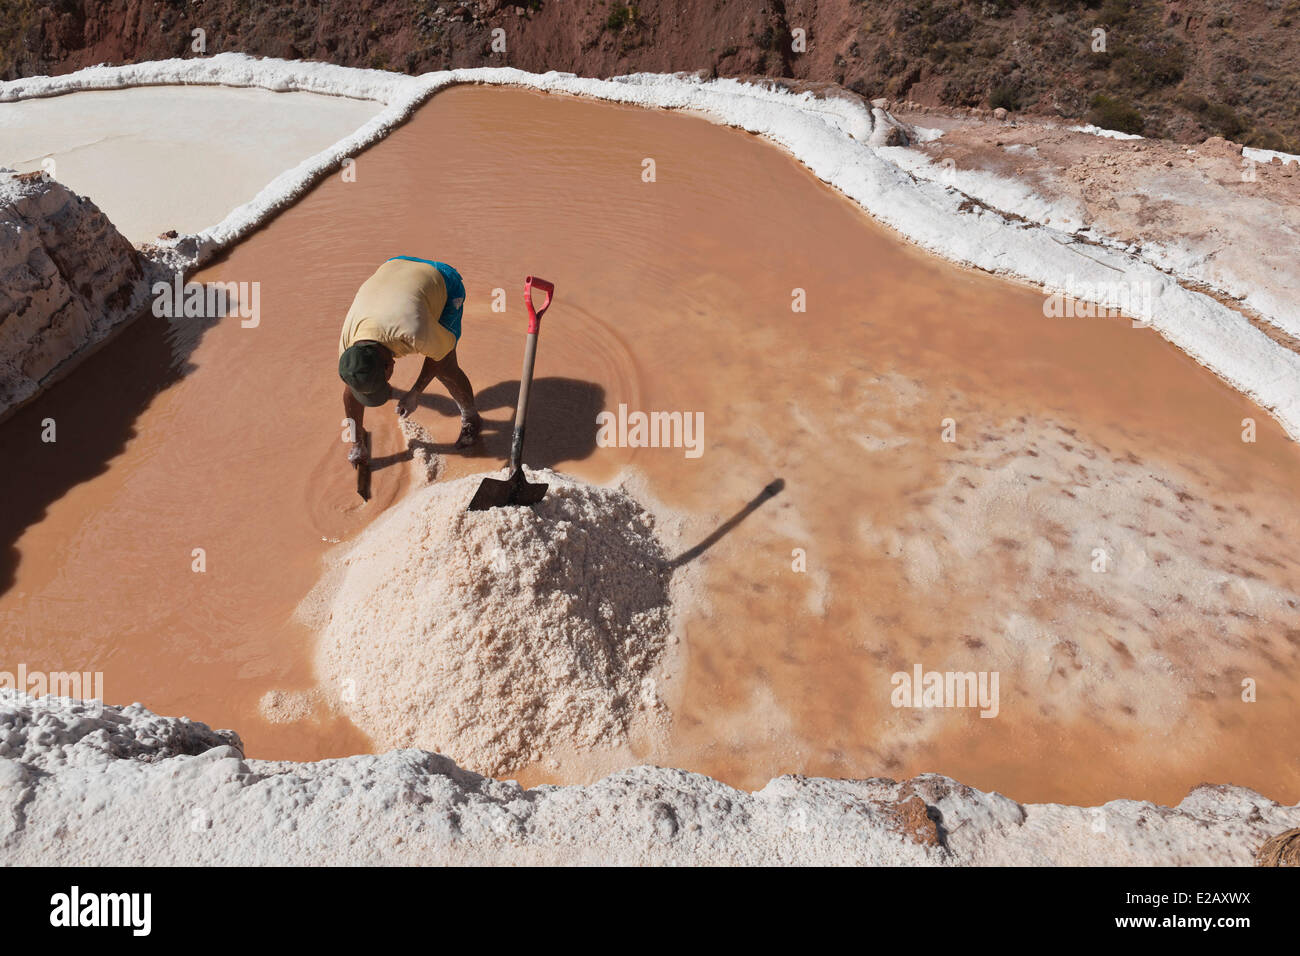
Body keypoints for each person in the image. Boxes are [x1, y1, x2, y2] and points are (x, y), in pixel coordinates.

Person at [337, 256, 482, 463]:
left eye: (384, 381)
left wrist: (416, 392)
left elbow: (439, 357)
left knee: (447, 369)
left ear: (389, 366)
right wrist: (357, 443)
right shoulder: (348, 350)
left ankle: (471, 417)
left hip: (443, 281)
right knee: (360, 381)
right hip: (394, 266)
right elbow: (351, 389)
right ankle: (358, 443)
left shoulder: (414, 331)